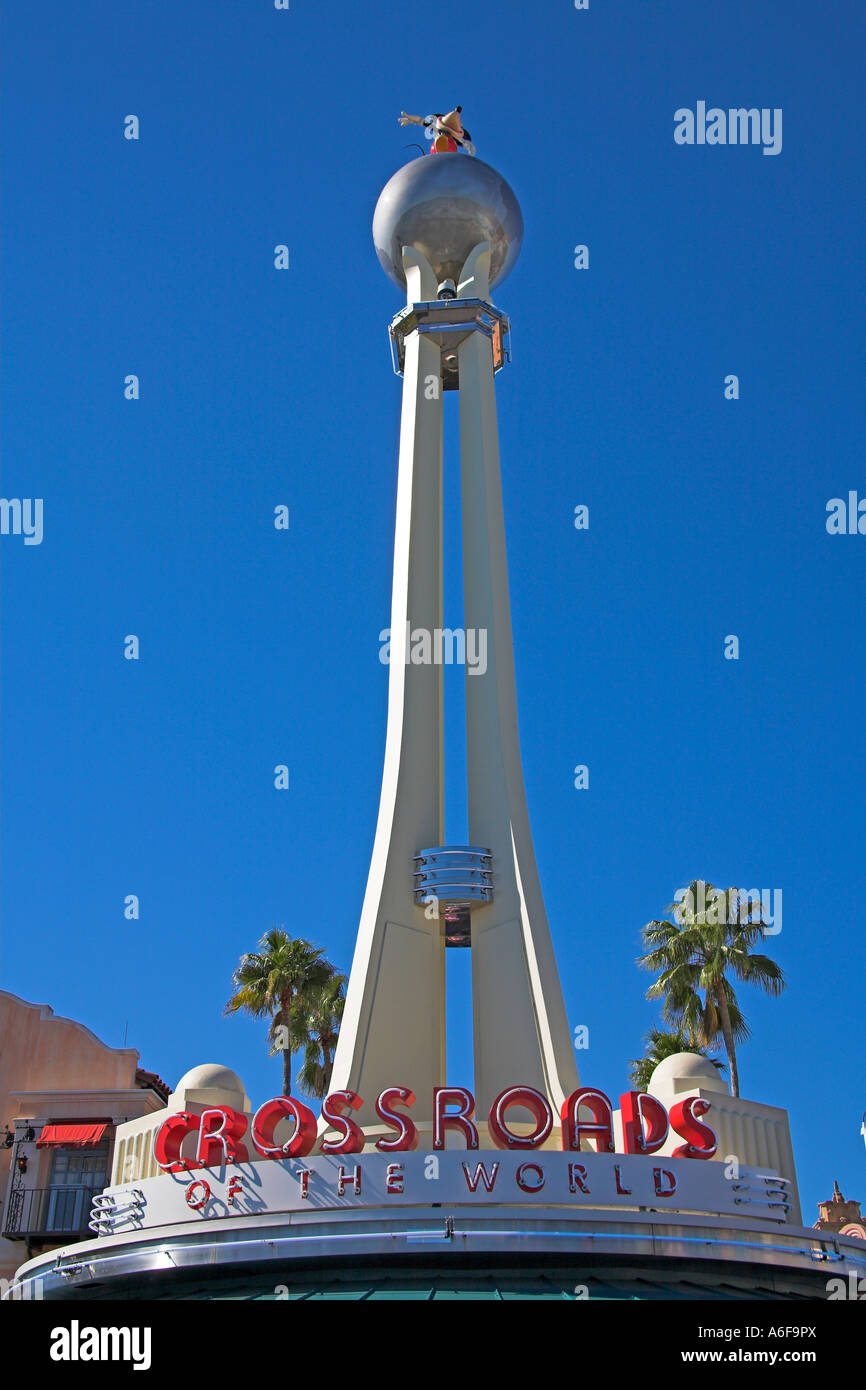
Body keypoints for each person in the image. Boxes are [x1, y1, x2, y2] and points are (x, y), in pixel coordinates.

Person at [398, 107, 475, 156]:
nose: (443, 133)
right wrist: (412, 119)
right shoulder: (438, 133)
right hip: (436, 157)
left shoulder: (457, 141)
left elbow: (468, 146)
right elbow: (421, 121)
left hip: (449, 158)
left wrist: (470, 149)